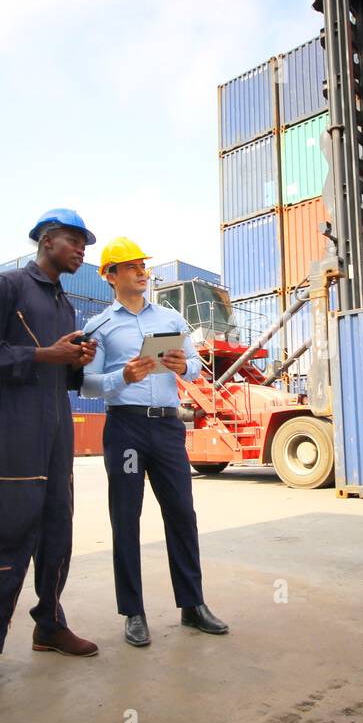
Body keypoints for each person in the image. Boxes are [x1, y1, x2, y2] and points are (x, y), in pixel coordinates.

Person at [0, 208, 100, 700]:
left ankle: (49, 624)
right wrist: (45, 356)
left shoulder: (64, 305)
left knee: (56, 526)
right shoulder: (6, 287)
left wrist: (76, 363)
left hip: (56, 424)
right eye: (74, 241)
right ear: (46, 240)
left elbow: (60, 371)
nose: (82, 250)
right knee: (4, 531)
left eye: (86, 243)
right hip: (15, 424)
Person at [82, 236, 229, 647]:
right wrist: (120, 378)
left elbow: (197, 368)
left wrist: (186, 366)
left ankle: (193, 606)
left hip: (167, 427)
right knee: (126, 518)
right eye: (130, 266)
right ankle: (133, 612)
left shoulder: (171, 318)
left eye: (143, 265)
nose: (141, 271)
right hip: (125, 427)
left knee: (182, 513)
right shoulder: (98, 327)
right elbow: (86, 386)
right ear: (110, 276)